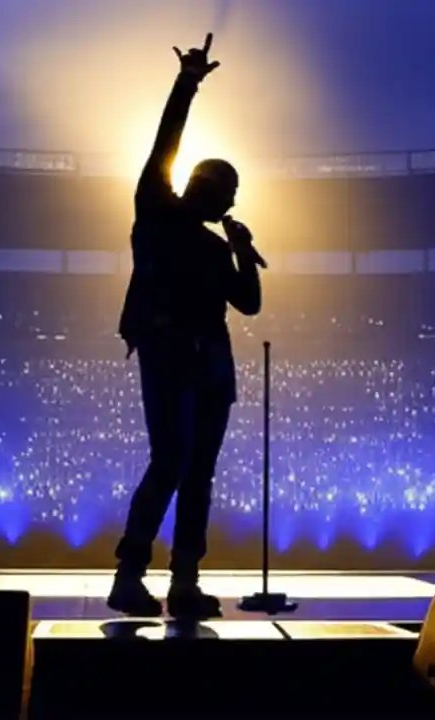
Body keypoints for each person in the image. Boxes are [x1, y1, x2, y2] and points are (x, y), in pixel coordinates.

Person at [108, 32, 264, 620]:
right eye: (227, 191)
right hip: (171, 348)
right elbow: (162, 146)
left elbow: (247, 303)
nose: (229, 201)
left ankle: (184, 581)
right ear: (204, 186)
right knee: (173, 461)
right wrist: (187, 84)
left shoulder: (213, 245)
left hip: (211, 358)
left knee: (197, 471)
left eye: (233, 194)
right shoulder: (157, 210)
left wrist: (243, 250)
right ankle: (130, 574)